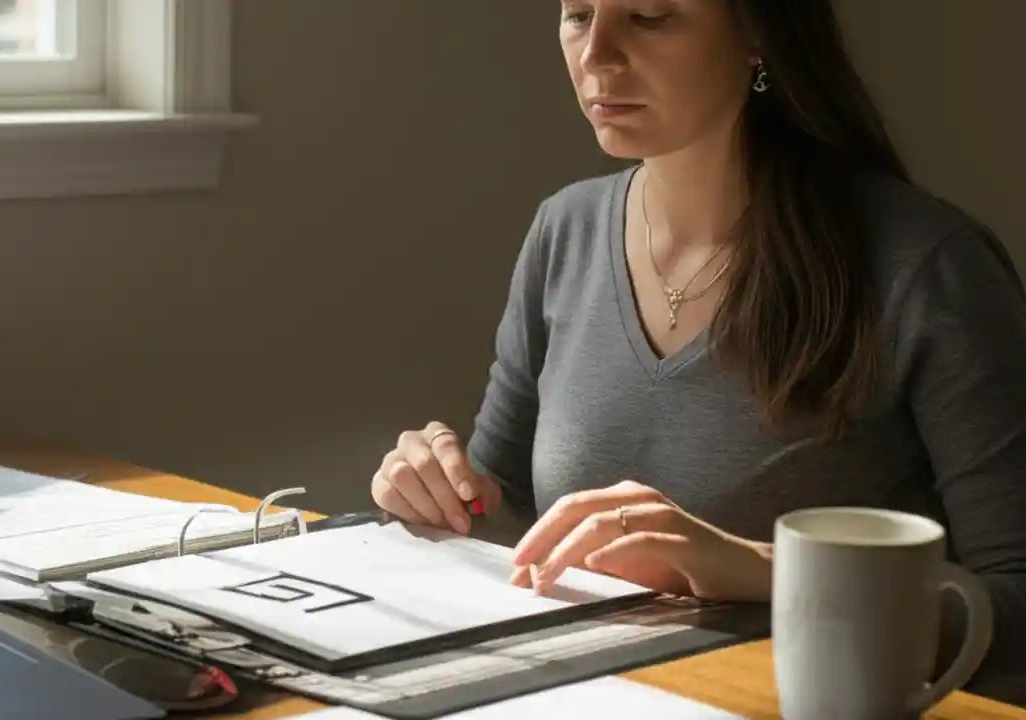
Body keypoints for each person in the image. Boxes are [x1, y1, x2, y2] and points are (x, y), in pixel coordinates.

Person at [369, 0, 1025, 703]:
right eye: (578, 13)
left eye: (648, 16)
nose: (596, 54)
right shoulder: (565, 231)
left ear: (760, 34)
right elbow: (504, 516)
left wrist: (759, 568)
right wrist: (437, 491)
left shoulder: (928, 268)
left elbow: (1015, 601)